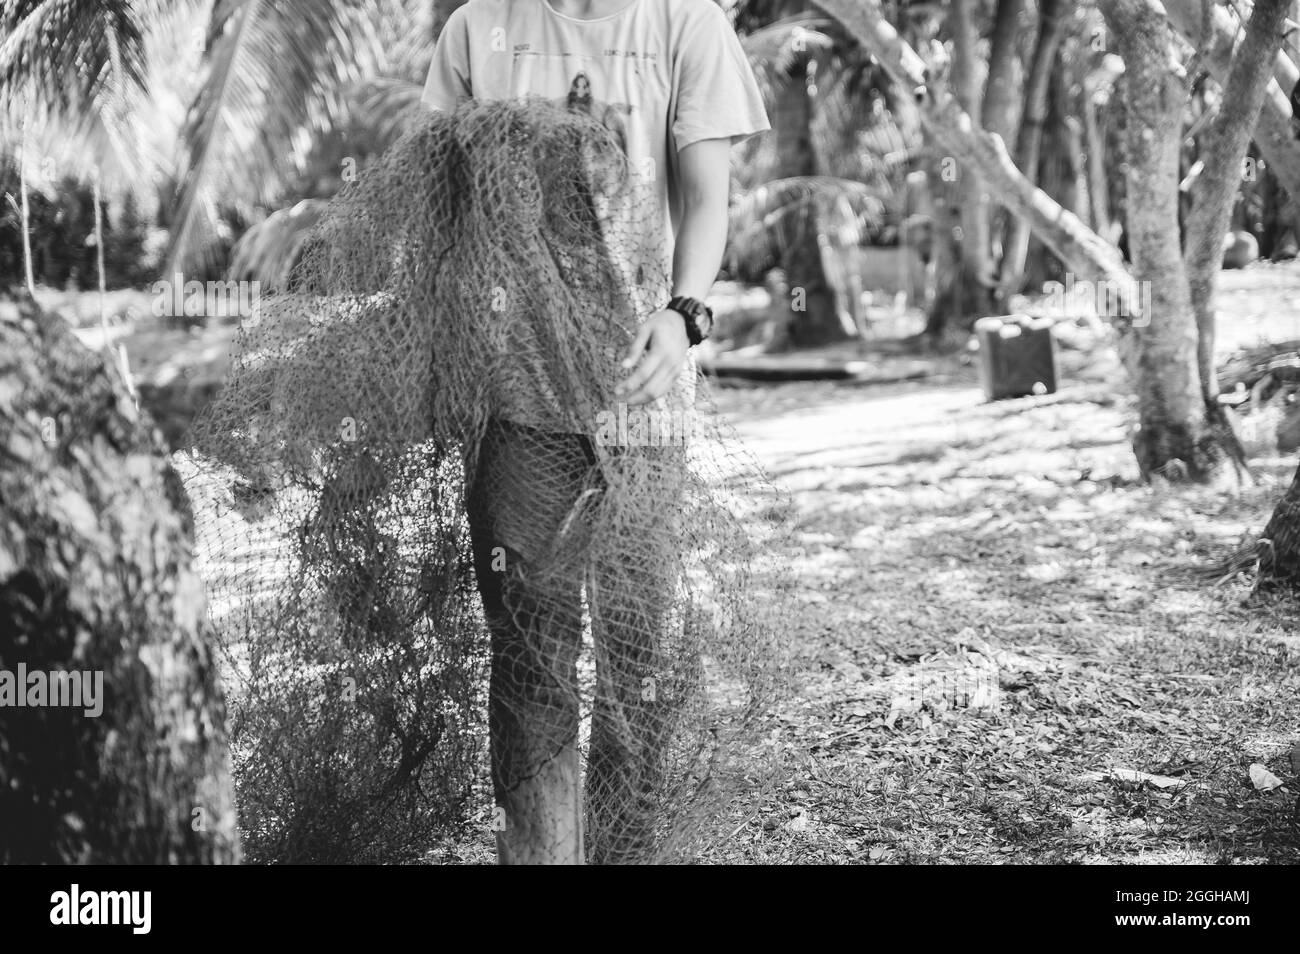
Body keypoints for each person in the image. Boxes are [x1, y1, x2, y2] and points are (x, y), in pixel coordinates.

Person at [421, 0, 770, 864]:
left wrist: (683, 312)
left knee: (636, 663)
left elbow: (705, 196)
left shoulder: (685, 22)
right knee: (531, 662)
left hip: (640, 398)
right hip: (515, 402)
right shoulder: (476, 30)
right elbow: (439, 204)